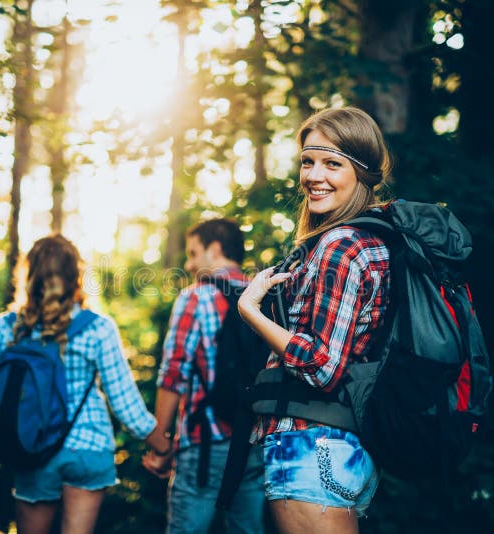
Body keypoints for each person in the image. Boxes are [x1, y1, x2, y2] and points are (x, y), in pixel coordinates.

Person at [237, 106, 392, 533]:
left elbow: (321, 365)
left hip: (310, 448)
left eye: (332, 163)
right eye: (308, 161)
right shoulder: (374, 238)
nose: (313, 175)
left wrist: (249, 310)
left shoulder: (341, 246)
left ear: (360, 172)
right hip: (342, 448)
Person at [0, 234, 171, 534]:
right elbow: (126, 408)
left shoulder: (7, 327)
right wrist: (165, 448)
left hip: (32, 447)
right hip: (88, 449)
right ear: (76, 276)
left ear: (30, 275)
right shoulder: (98, 328)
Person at [142, 218, 266, 534]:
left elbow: (173, 373)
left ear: (214, 250)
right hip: (255, 440)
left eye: (194, 253)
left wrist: (161, 444)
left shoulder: (196, 297)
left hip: (205, 442)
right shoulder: (264, 295)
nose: (189, 263)